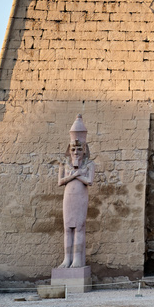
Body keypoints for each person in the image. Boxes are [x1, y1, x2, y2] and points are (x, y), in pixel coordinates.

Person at [58, 115, 94, 268]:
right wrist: (75, 174)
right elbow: (60, 181)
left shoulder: (89, 164)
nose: (76, 152)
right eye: (73, 149)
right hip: (68, 197)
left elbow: (89, 181)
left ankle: (77, 259)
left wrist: (77, 174)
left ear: (84, 149)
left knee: (79, 227)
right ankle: (67, 259)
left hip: (80, 196)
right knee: (67, 228)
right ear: (69, 150)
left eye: (79, 149)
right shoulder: (64, 164)